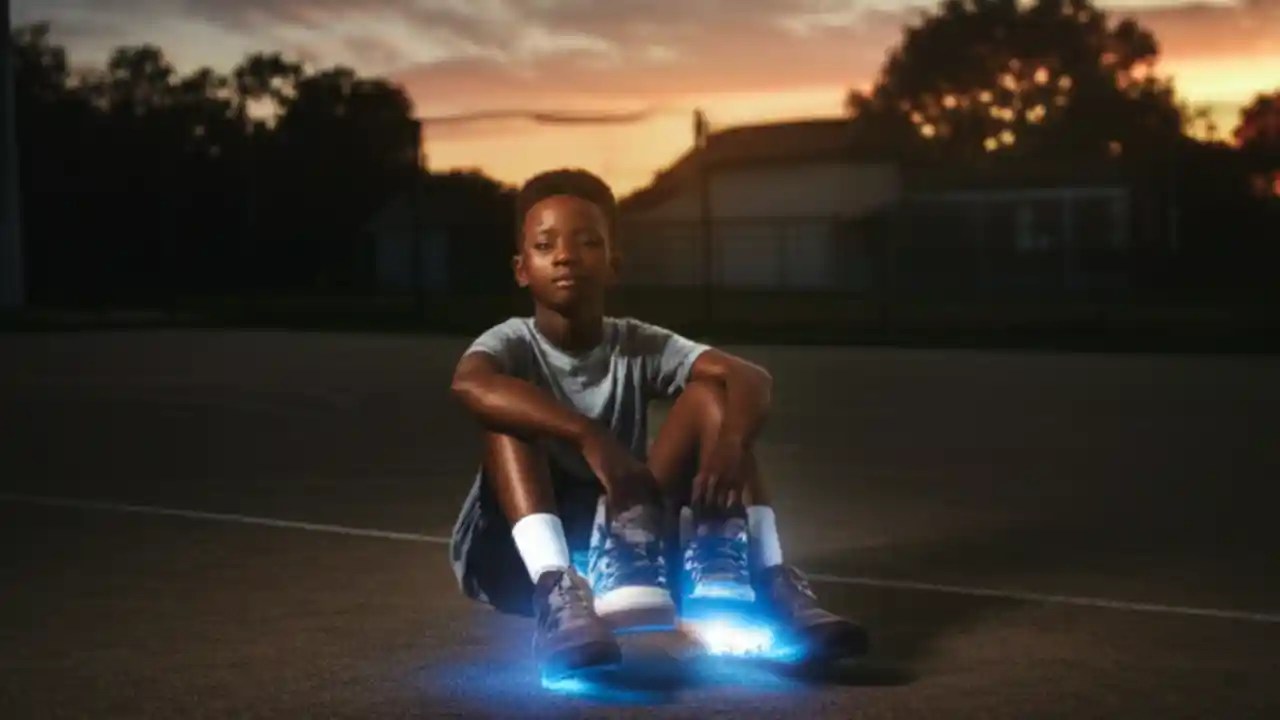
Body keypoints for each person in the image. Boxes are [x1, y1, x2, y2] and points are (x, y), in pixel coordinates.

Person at [448, 168, 867, 675]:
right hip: (509, 558)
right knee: (505, 407)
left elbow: (749, 377)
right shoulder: (511, 341)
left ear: (612, 264)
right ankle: (556, 589)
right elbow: (469, 384)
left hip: (622, 541)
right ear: (521, 268)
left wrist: (731, 445)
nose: (565, 256)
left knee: (712, 395)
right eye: (545, 245)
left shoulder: (636, 341)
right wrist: (589, 436)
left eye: (587, 242)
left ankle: (768, 577)